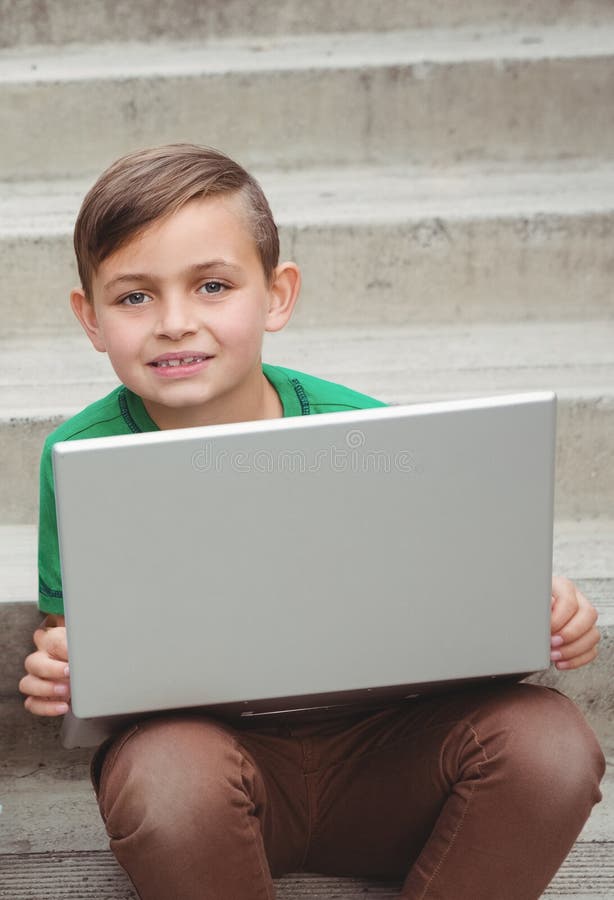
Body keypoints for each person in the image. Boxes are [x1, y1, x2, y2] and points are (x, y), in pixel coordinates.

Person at [19, 144, 605, 900]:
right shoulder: (80, 455)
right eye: (134, 297)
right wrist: (62, 661)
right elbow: (74, 639)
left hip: (392, 767)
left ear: (277, 294)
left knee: (552, 746)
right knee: (168, 779)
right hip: (209, 777)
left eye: (212, 286)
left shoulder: (370, 435)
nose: (174, 322)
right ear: (90, 319)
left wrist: (549, 615)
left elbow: (458, 598)